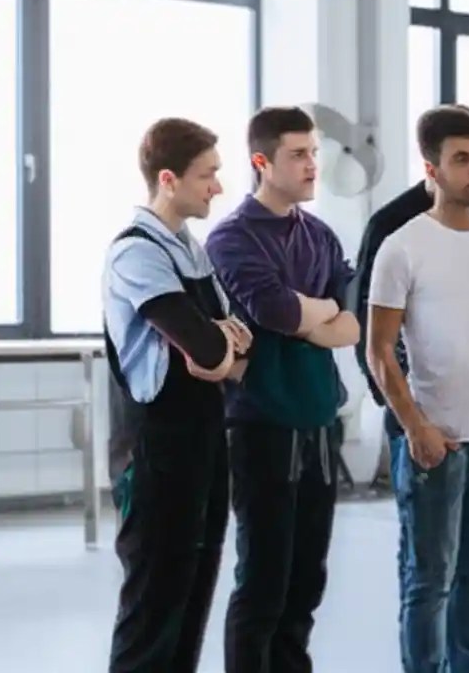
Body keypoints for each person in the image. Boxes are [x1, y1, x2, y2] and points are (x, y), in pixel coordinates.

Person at [348, 104, 469, 673]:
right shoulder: (400, 245)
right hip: (436, 442)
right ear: (431, 169)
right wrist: (415, 427)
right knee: (429, 581)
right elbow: (378, 349)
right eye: (462, 160)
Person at [206, 106, 359, 673]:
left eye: (314, 152)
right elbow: (275, 311)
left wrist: (308, 318)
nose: (312, 164)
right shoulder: (231, 239)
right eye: (299, 154)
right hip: (262, 423)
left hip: (320, 421)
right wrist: (316, 316)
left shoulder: (318, 235)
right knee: (264, 582)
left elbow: (352, 323)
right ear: (262, 162)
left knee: (306, 582)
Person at [103, 117, 252, 672]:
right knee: (153, 611)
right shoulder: (135, 254)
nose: (218, 186)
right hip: (156, 453)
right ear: (168, 179)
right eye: (207, 175)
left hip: (205, 444)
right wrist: (219, 346)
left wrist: (221, 347)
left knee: (191, 604)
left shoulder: (191, 249)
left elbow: (239, 352)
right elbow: (212, 349)